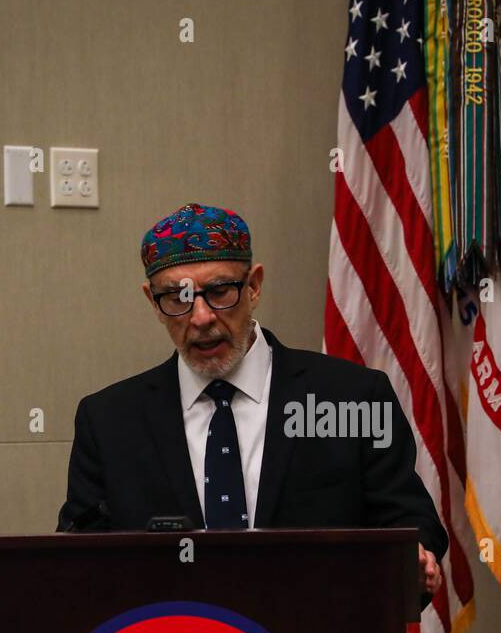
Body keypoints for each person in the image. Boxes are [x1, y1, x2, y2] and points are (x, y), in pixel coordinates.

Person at [56, 202, 446, 597]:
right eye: (178, 298)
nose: (202, 317)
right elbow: (78, 556)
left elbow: (408, 519)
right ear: (152, 301)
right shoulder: (109, 421)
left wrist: (414, 554)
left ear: (254, 285)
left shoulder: (351, 398)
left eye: (220, 291)